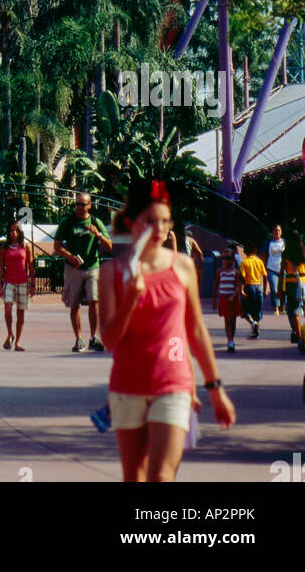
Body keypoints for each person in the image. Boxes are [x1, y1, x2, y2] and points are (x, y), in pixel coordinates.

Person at [99, 178, 235, 483]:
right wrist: (131, 298)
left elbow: (196, 331)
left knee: (161, 476)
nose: (159, 229)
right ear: (133, 223)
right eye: (150, 221)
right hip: (127, 387)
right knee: (135, 477)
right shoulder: (111, 273)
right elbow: (108, 340)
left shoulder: (183, 266)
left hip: (172, 386)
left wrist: (215, 391)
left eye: (165, 221)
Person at [54, 191, 112, 352]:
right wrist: (70, 257)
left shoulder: (95, 222)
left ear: (90, 205)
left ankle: (93, 337)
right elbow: (57, 246)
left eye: (83, 204)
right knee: (75, 304)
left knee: (94, 301)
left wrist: (98, 235)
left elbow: (109, 246)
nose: (79, 208)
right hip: (73, 268)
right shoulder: (68, 222)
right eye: (77, 204)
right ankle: (78, 339)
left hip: (92, 266)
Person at [0, 221, 35, 351]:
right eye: (11, 231)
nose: (14, 233)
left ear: (20, 232)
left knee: (21, 313)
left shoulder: (26, 246)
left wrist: (33, 284)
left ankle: (18, 341)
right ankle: (10, 334)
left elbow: (30, 265)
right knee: (7, 309)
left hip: (23, 282)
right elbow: (1, 266)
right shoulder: (5, 247)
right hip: (9, 282)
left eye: (16, 231)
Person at [278, 229, 305, 351]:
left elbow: (282, 271)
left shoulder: (286, 253)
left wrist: (279, 289)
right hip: (304, 281)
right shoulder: (303, 250)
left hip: (291, 283)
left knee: (294, 311)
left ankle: (299, 337)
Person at [212, 245, 241, 353]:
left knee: (233, 321)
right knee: (227, 319)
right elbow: (215, 286)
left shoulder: (236, 272)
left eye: (228, 258)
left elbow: (239, 285)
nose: (225, 261)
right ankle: (230, 341)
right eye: (223, 258)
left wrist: (234, 295)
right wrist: (214, 300)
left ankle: (231, 339)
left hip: (232, 299)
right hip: (224, 298)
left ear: (232, 260)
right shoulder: (219, 271)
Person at [238, 243, 268, 339]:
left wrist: (241, 289)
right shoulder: (259, 261)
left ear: (245, 252)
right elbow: (265, 275)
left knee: (245, 309)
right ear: (255, 251)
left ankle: (253, 323)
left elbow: (242, 277)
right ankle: (255, 330)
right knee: (257, 309)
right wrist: (264, 289)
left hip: (249, 286)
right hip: (258, 286)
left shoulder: (244, 262)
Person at [262, 224, 285, 315]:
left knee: (283, 289)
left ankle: (282, 306)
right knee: (274, 288)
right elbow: (263, 255)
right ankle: (276, 307)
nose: (277, 232)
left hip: (283, 269)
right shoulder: (268, 242)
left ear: (281, 232)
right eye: (275, 230)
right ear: (272, 232)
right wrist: (263, 267)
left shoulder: (284, 242)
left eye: (279, 230)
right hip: (271, 268)